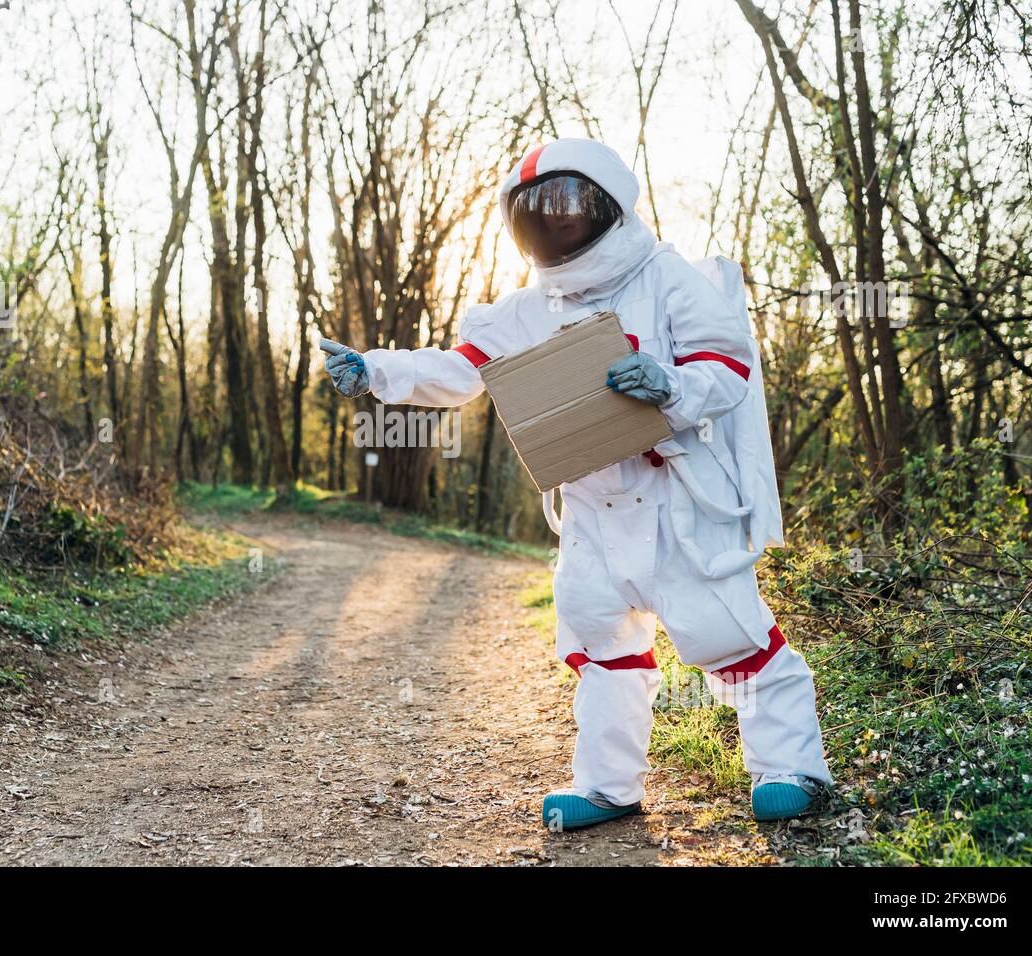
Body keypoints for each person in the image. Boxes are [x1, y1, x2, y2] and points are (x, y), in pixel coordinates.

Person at [320, 138, 831, 829]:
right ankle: (607, 786)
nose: (556, 229)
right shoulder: (530, 308)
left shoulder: (663, 277)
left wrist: (670, 383)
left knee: (726, 635)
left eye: (569, 214)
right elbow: (461, 369)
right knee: (602, 648)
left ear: (609, 205)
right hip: (590, 508)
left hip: (677, 498)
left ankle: (791, 767)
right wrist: (378, 371)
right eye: (539, 218)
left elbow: (727, 364)